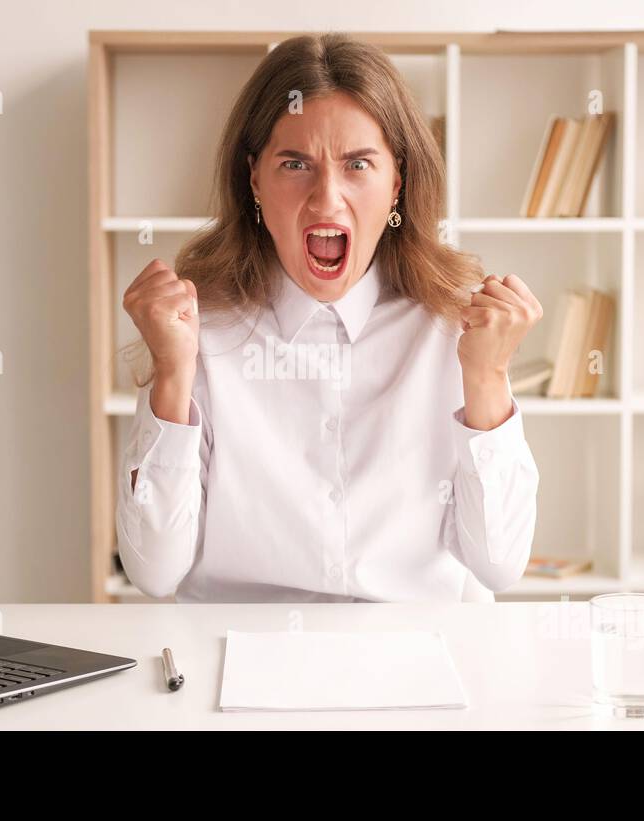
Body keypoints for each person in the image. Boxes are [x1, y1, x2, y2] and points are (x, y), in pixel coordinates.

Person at [116, 33, 541, 603]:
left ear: (397, 182)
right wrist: (173, 373)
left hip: (413, 660)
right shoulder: (197, 333)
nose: (326, 200)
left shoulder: (456, 330)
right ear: (255, 180)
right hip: (239, 655)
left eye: (357, 164)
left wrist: (487, 379)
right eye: (295, 164)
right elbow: (153, 571)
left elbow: (500, 566)